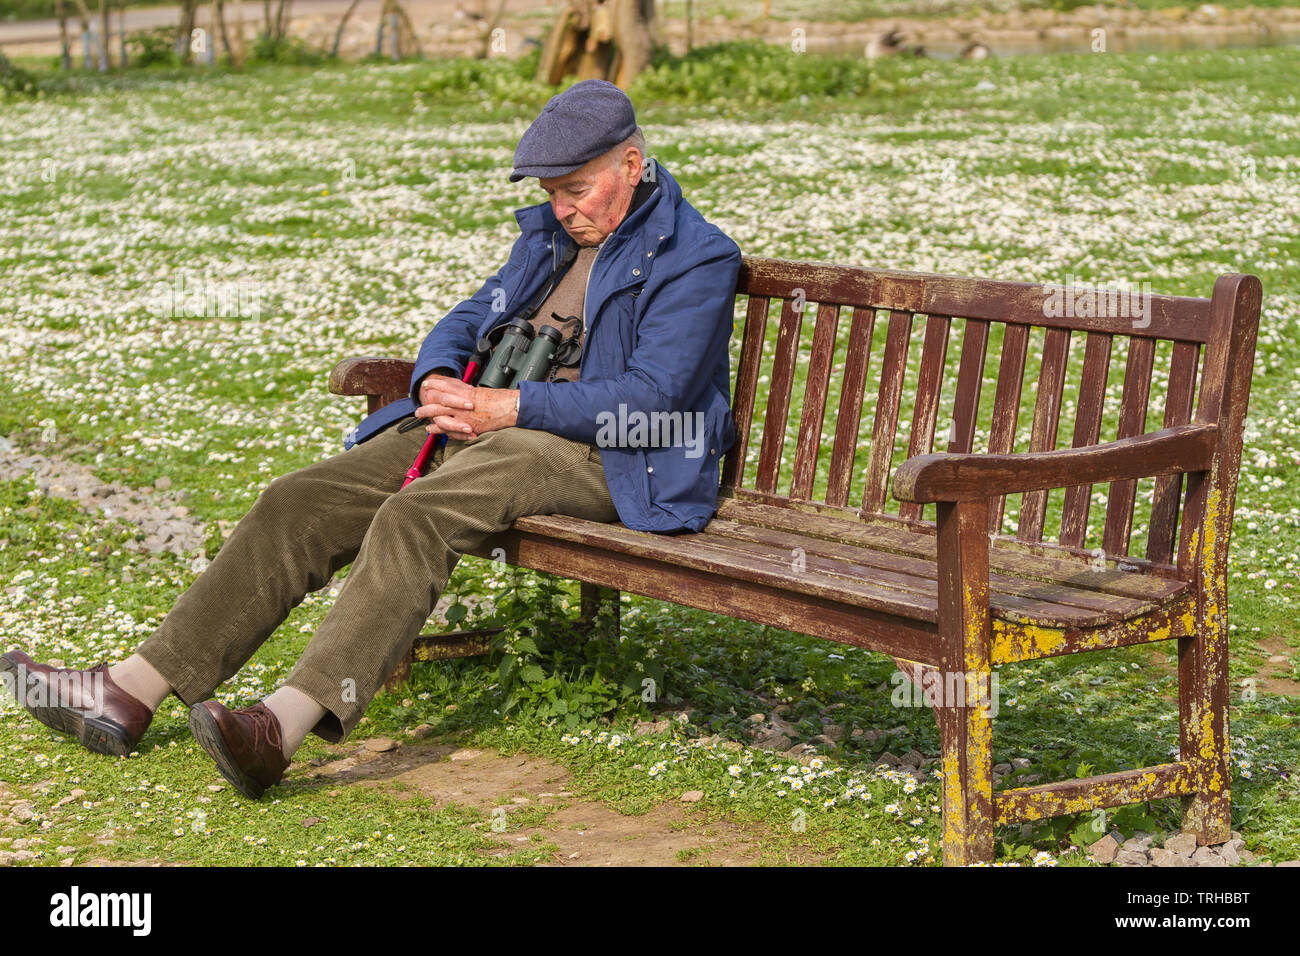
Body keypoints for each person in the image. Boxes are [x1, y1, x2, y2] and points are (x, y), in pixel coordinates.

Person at [1, 79, 742, 800]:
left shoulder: (696, 255)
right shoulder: (549, 238)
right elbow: (467, 315)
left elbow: (654, 398)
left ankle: (277, 733)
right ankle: (129, 691)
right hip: (498, 423)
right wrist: (437, 379)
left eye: (575, 189)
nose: (563, 208)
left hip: (615, 454)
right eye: (552, 191)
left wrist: (511, 406)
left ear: (632, 166)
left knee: (418, 511)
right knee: (300, 499)